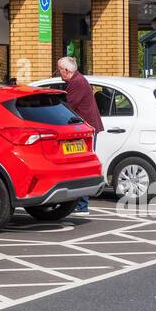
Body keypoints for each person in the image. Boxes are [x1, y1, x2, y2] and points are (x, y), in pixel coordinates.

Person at [56, 56, 104, 211]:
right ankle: (79, 203)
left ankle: (82, 204)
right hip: (85, 129)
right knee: (80, 165)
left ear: (67, 70)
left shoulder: (76, 83)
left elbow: (68, 107)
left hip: (84, 130)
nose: (59, 73)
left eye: (60, 70)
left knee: (81, 165)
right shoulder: (78, 80)